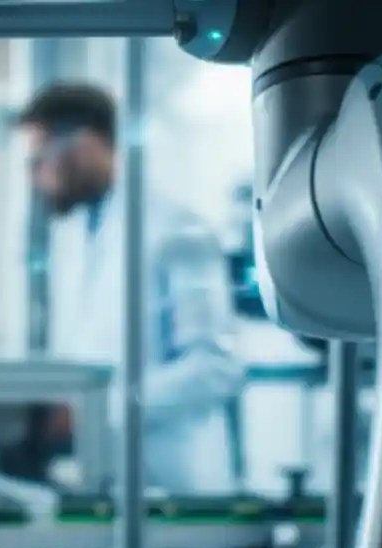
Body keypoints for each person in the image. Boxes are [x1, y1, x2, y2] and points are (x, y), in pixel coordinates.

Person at [15, 82, 243, 494]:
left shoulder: (176, 230)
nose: (36, 179)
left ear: (84, 144)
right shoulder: (74, 238)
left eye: (38, 160)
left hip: (175, 485)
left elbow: (214, 370)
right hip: (104, 480)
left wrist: (99, 409)